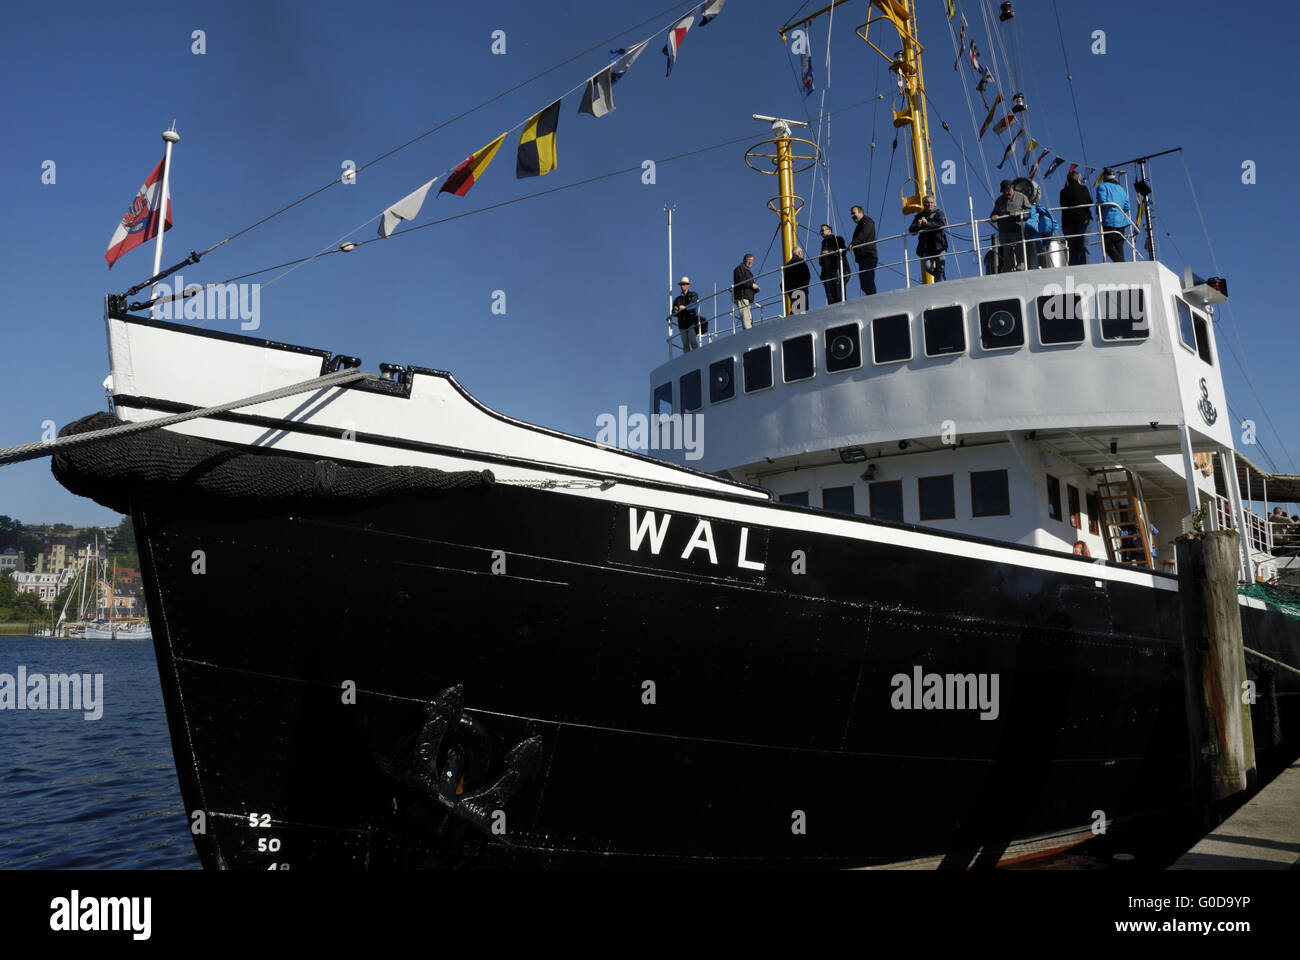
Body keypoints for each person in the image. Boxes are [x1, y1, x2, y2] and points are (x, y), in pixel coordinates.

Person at [989, 179, 1030, 272]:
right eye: (1004, 191)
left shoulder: (1021, 197)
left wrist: (1018, 213)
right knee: (1007, 251)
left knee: (1020, 248)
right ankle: (1009, 268)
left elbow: (1029, 211)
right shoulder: (999, 200)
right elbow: (993, 214)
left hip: (1017, 229)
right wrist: (994, 216)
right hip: (1004, 232)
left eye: (1008, 191)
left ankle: (1021, 265)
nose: (1006, 193)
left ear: (1012, 187)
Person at [908, 194, 948, 281]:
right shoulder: (919, 216)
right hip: (926, 247)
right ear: (923, 204)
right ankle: (940, 278)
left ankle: (940, 282)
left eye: (931, 202)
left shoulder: (939, 213)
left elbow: (942, 224)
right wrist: (918, 225)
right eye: (927, 203)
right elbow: (911, 230)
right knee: (928, 267)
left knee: (940, 267)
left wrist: (927, 224)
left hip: (939, 245)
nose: (929, 204)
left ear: (934, 203)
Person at [1095, 168, 1133, 263]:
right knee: (1119, 245)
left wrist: (1098, 211)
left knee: (1107, 245)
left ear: (1104, 176)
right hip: (1122, 221)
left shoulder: (1102, 186)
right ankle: (1122, 266)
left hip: (1109, 219)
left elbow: (1102, 201)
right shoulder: (1121, 188)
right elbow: (1127, 205)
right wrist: (1119, 212)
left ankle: (1122, 263)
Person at [1059, 170, 1094, 266]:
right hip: (1083, 220)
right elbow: (1090, 203)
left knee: (1072, 248)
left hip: (1067, 223)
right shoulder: (1083, 189)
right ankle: (1086, 266)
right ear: (1079, 179)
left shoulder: (1063, 192)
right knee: (1084, 245)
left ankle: (1074, 268)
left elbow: (1062, 204)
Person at [849, 206, 877, 295]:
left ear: (861, 213)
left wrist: (853, 243)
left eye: (854, 213)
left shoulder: (867, 221)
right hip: (862, 258)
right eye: (851, 214)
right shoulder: (860, 225)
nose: (852, 216)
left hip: (868, 256)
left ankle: (872, 299)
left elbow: (864, 233)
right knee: (864, 284)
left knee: (868, 281)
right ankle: (870, 298)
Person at [818, 224, 850, 305]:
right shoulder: (823, 243)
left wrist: (829, 252)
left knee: (839, 294)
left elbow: (843, 251)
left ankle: (842, 307)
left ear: (829, 230)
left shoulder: (837, 239)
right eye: (820, 231)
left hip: (837, 269)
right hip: (828, 272)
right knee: (831, 296)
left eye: (823, 230)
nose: (821, 232)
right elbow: (822, 262)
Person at [671, 276, 701, 351]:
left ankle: (698, 355)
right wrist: (675, 310)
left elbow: (694, 304)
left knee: (692, 340)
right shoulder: (677, 299)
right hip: (682, 324)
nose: (682, 286)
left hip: (691, 321)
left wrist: (684, 308)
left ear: (688, 285)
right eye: (681, 284)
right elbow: (673, 312)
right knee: (685, 345)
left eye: (684, 284)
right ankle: (688, 360)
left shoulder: (693, 295)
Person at [732, 254, 759, 330]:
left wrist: (755, 289)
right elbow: (740, 281)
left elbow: (747, 285)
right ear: (744, 260)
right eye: (749, 260)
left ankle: (750, 331)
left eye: (752, 260)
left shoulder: (748, 272)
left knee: (749, 318)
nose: (751, 262)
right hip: (742, 297)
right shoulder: (739, 269)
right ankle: (748, 333)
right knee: (746, 318)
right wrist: (752, 285)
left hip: (747, 298)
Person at [783, 246, 811, 314]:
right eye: (801, 253)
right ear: (799, 253)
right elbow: (807, 275)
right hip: (801, 289)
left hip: (792, 292)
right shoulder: (800, 261)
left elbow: (784, 281)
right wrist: (805, 285)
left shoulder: (787, 265)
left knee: (795, 310)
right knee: (801, 312)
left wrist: (788, 291)